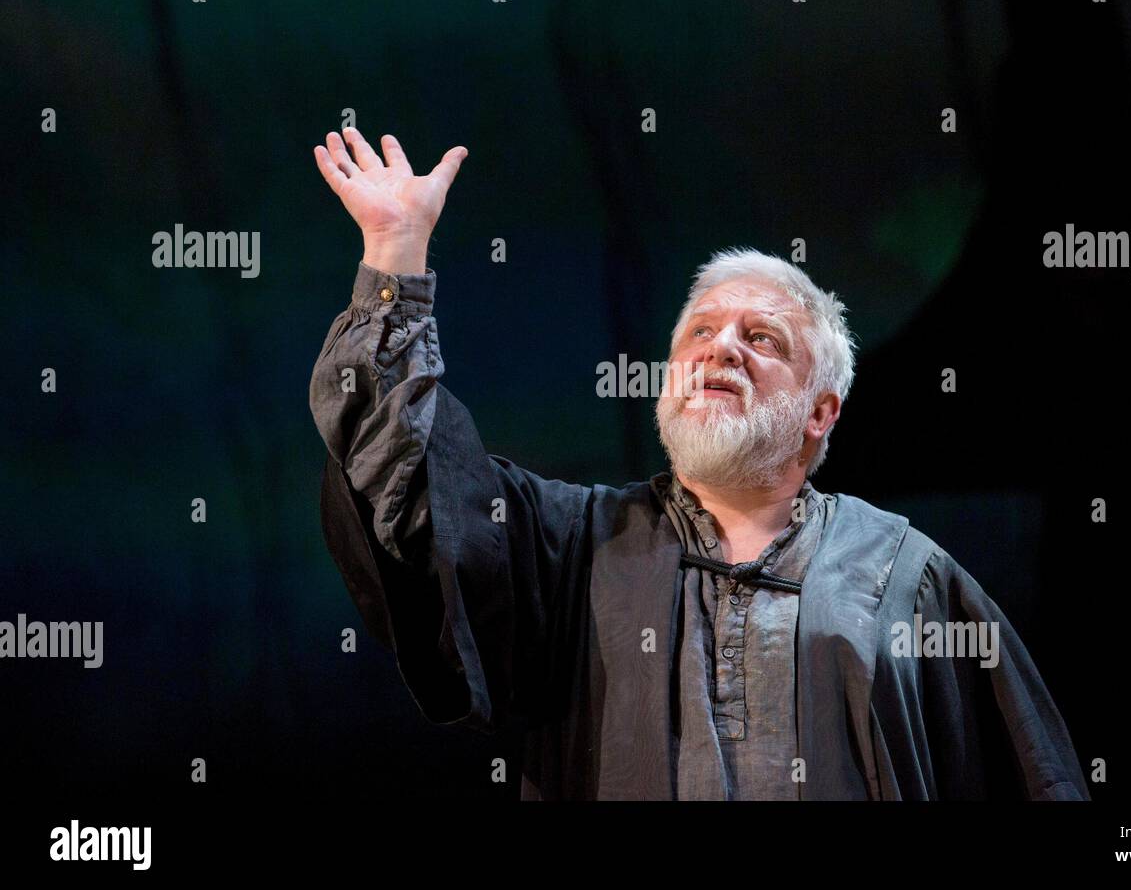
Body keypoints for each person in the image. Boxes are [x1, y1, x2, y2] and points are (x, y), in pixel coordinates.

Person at [308, 127, 1089, 800]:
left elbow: (1032, 776)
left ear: (821, 411)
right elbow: (405, 482)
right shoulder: (570, 545)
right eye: (701, 332)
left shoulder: (905, 576)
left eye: (763, 338)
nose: (722, 347)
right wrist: (395, 259)